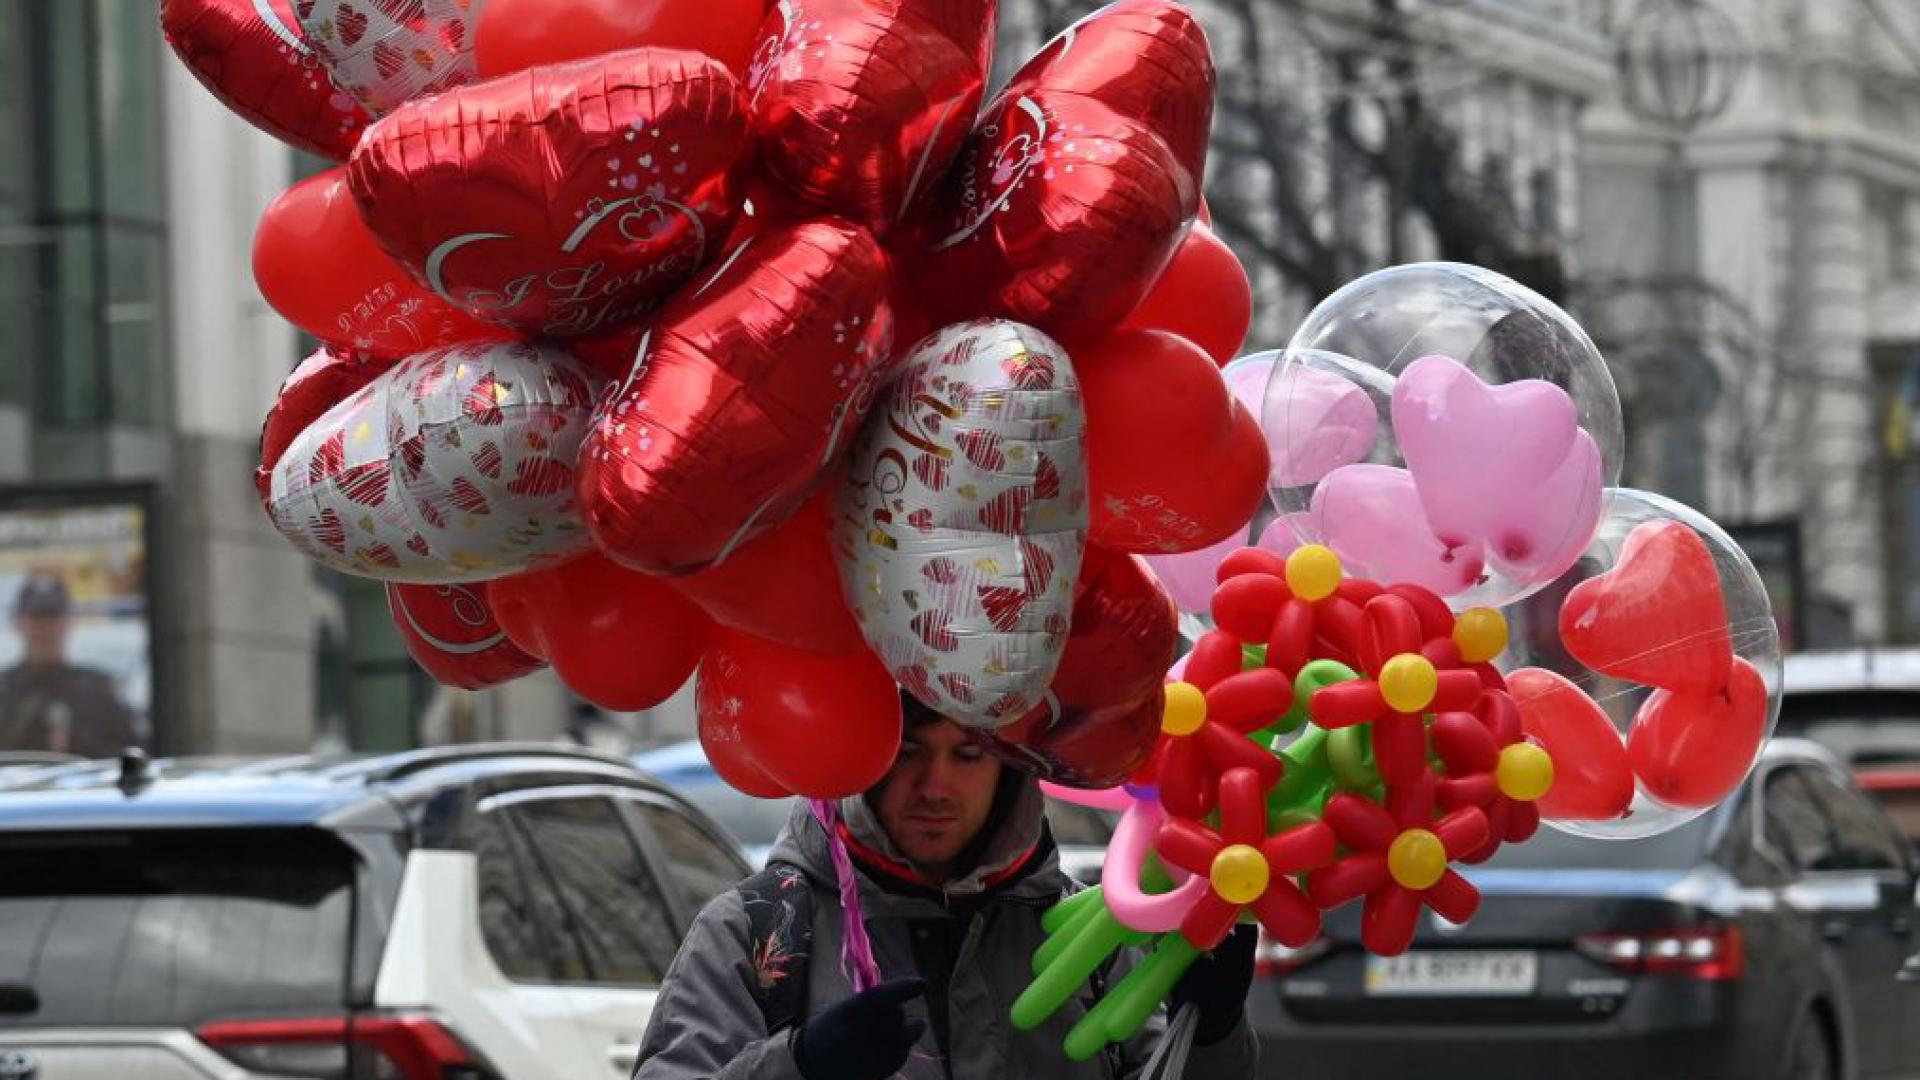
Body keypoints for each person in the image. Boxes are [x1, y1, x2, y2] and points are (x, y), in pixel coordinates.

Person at [634, 697, 1259, 1080]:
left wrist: (1211, 1032)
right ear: (862, 756)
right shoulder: (760, 931)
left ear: (1009, 773)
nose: (934, 786)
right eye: (908, 751)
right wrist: (800, 1066)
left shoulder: (1082, 939)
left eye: (966, 755)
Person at [0, 573, 137, 758]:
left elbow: (134, 755)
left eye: (53, 618)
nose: (45, 629)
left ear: (68, 623)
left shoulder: (99, 692)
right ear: (19, 623)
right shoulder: (5, 691)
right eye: (36, 619)